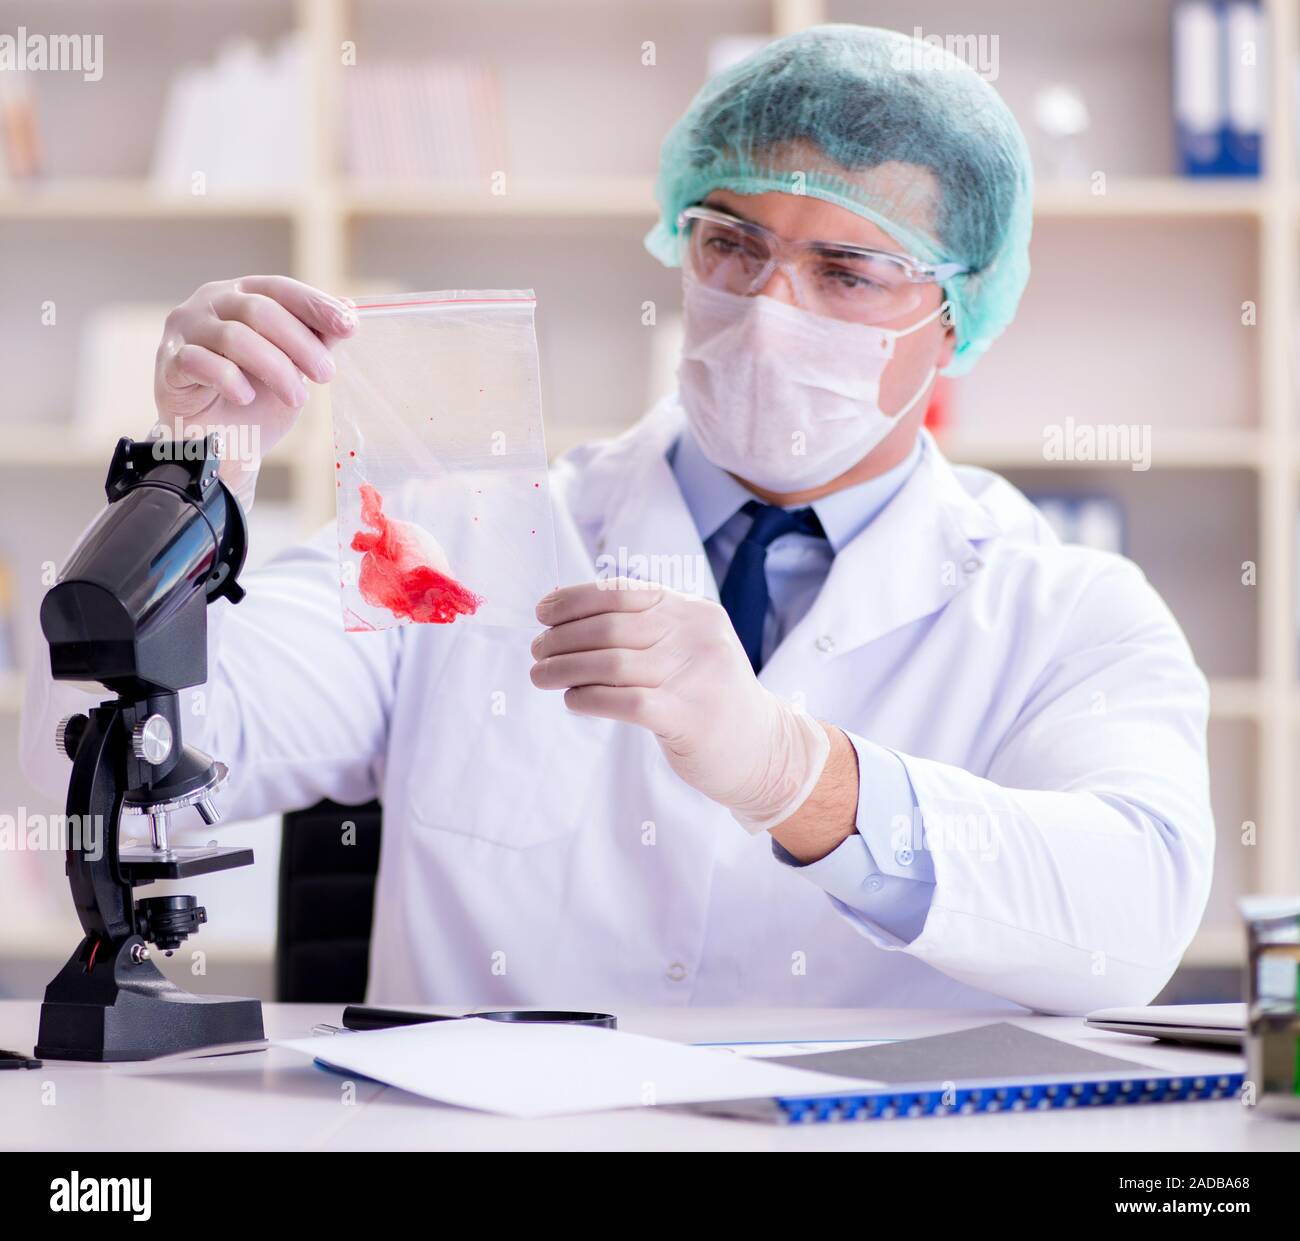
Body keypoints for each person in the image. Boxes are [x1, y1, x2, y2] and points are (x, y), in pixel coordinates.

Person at [22, 25, 1212, 1014]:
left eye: (847, 270)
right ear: (680, 242)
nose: (766, 308)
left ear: (957, 315)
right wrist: (181, 480)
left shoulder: (1065, 610)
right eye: (731, 245)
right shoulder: (450, 540)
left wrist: (799, 774)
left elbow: (1130, 921)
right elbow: (109, 785)